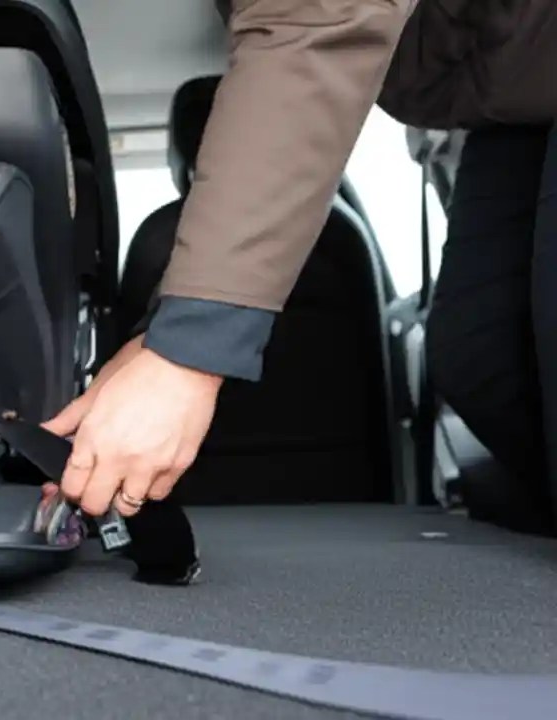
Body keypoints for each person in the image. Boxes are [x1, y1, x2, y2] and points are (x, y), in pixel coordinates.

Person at [42, 0, 557, 531]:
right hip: (517, 94)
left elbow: (317, 17)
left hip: (521, 70)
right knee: (484, 362)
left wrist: (187, 352)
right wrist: (159, 336)